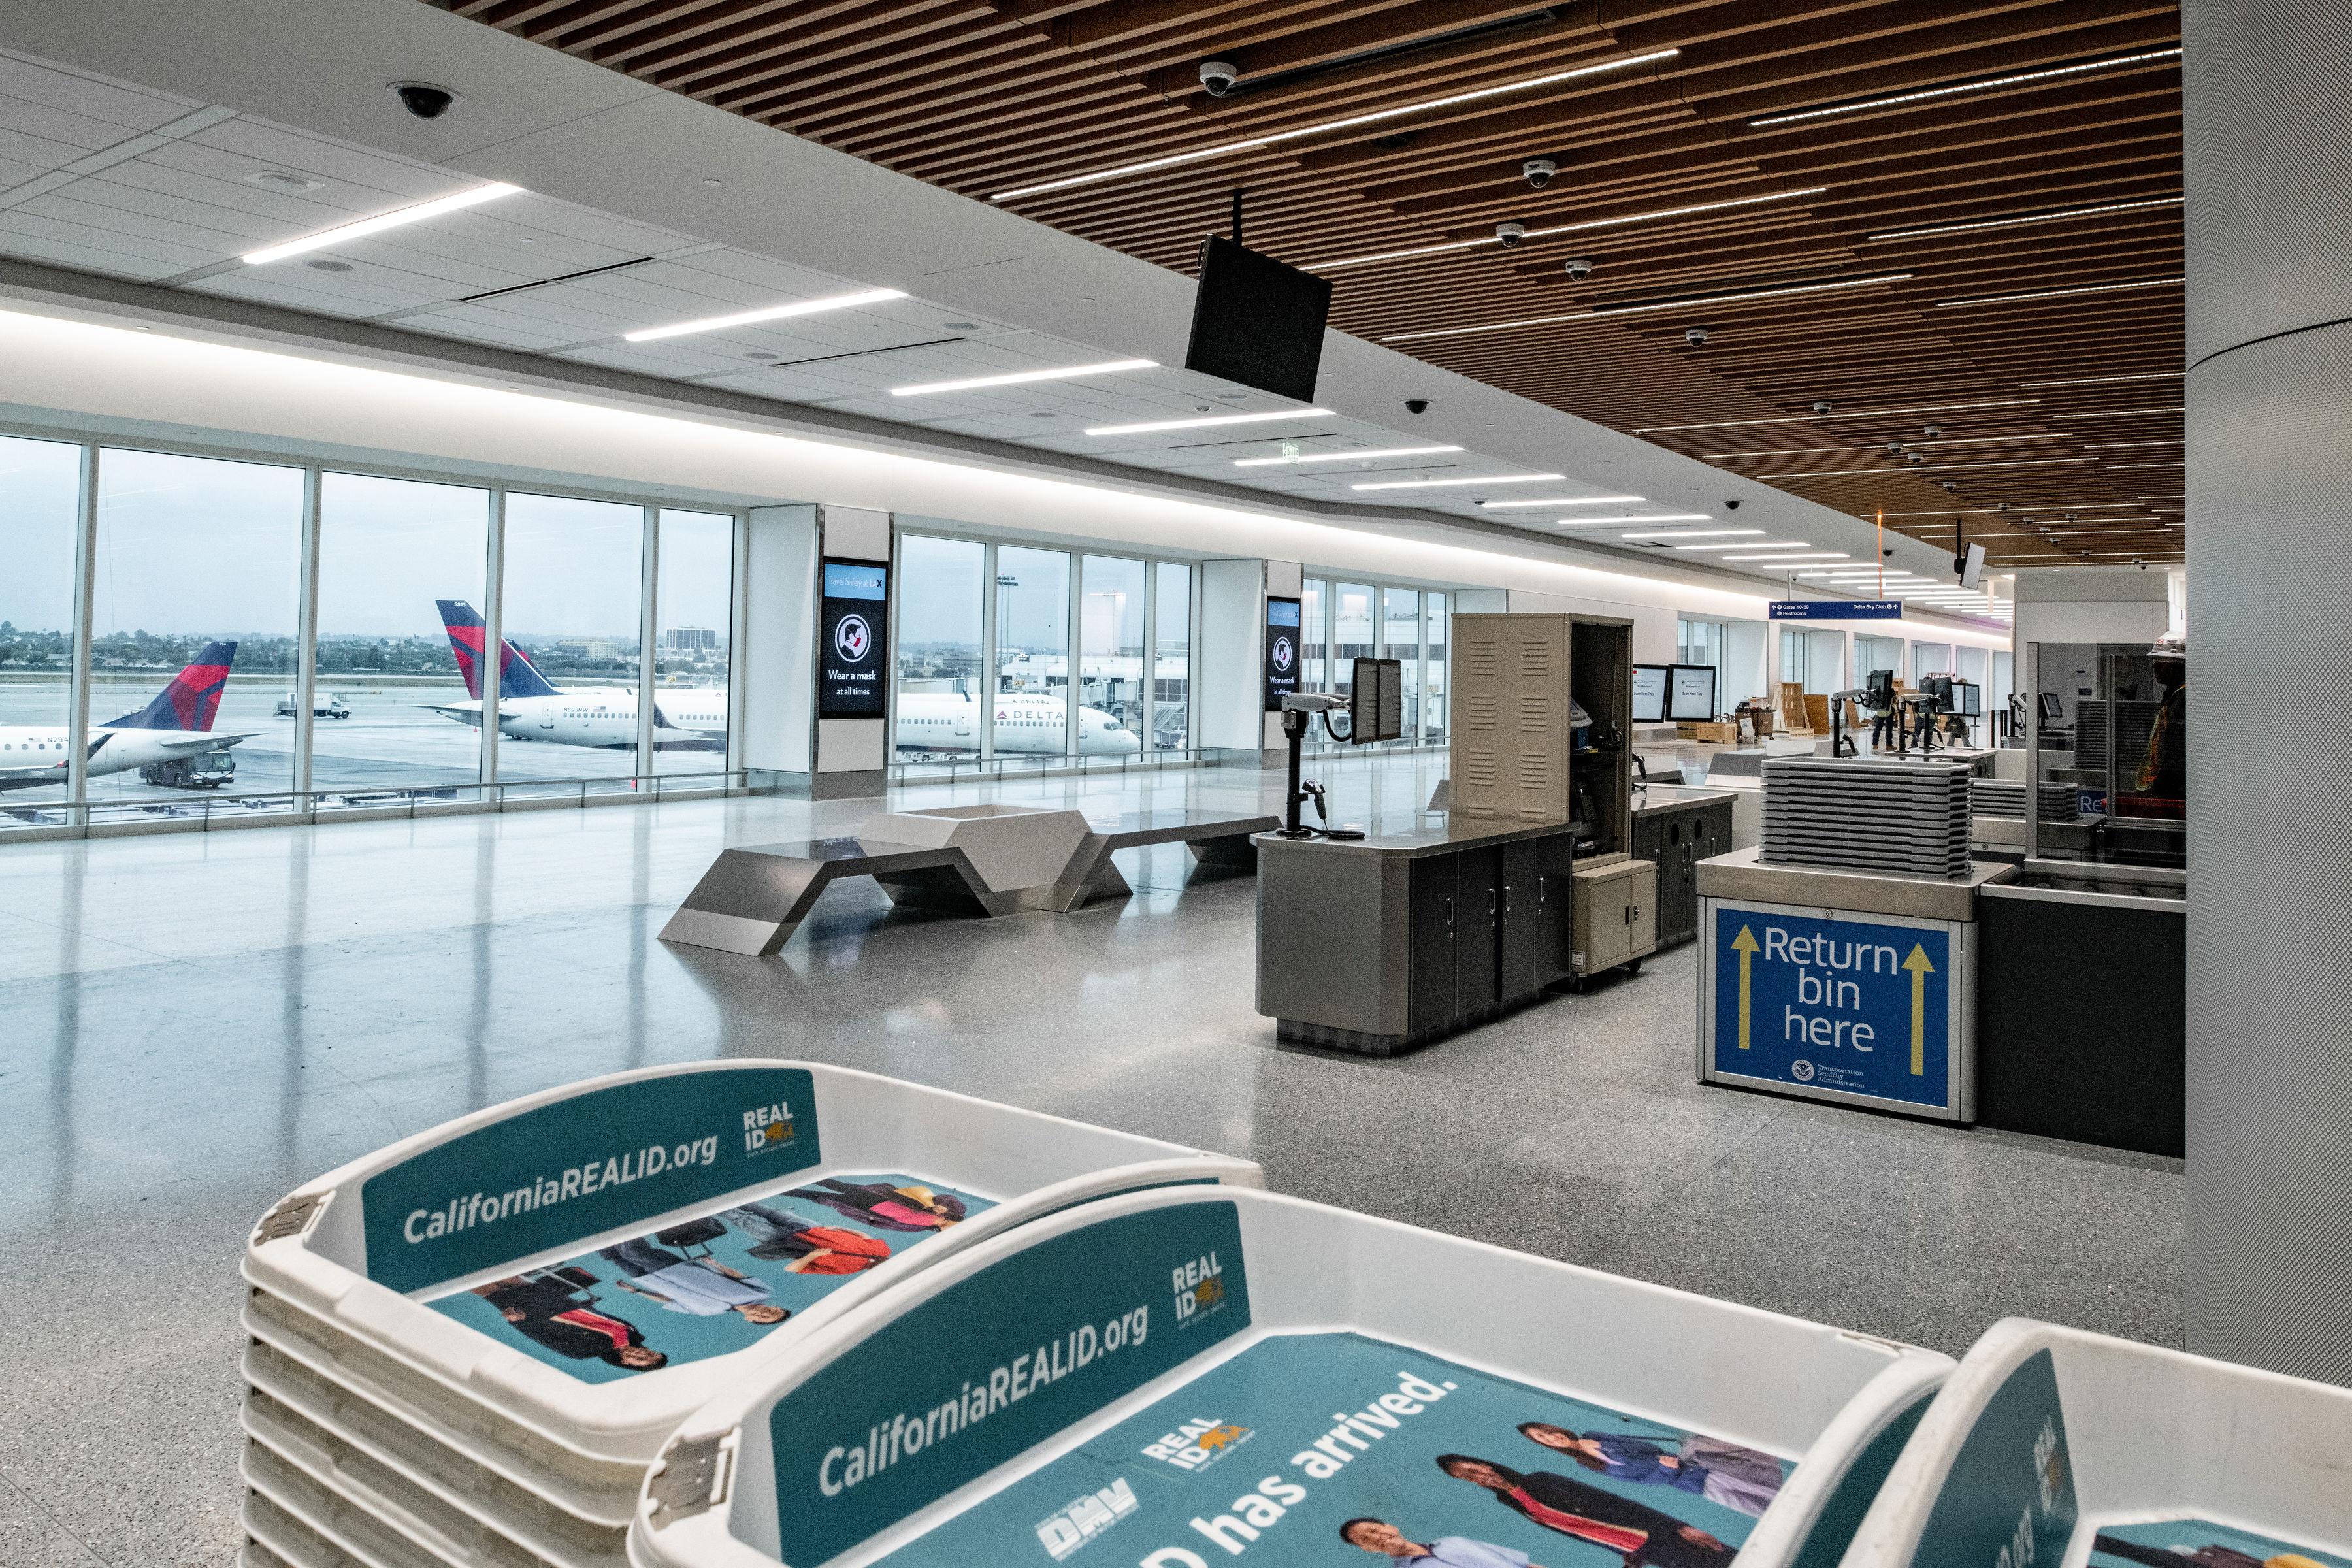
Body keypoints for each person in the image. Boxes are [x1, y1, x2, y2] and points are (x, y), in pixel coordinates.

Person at [1435, 1455, 1733, 1568]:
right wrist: (1626, 1553)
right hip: (1640, 1548)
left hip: (1660, 1534)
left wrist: (1680, 1525)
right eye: (1467, 1478)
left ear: (1486, 1464)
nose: (1477, 1478)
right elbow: (1576, 1528)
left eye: (1474, 1470)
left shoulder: (1539, 1479)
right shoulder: (1509, 1501)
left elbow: (1616, 1504)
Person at [1518, 1423, 1784, 1518]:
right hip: (1691, 1484)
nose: (1551, 1438)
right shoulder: (1585, 1463)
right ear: (1545, 1445)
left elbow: (1643, 1447)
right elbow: (1642, 1480)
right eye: (1542, 1439)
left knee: (1772, 1493)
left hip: (1701, 1469)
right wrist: (1666, 1471)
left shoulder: (1593, 1436)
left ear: (1556, 1429)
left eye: (1547, 1432)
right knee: (1758, 1509)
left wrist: (1665, 1460)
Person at [470, 1272, 667, 1370]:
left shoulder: (584, 1353)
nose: (641, 1353)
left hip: (534, 1314)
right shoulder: (631, 1331)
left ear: (626, 1363)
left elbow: (545, 1339)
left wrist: (519, 1322)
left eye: (640, 1359)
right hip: (559, 1301)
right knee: (509, 1276)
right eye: (649, 1352)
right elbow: (593, 1315)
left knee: (484, 1288)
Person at [596, 1236, 789, 1322]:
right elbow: (738, 1276)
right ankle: (616, 1217)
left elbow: (670, 1301)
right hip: (674, 1269)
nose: (762, 1313)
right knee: (632, 1251)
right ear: (775, 1307)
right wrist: (715, 1265)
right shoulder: (761, 1293)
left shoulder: (707, 1312)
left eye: (762, 1318)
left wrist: (637, 1291)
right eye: (770, 1312)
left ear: (750, 1320)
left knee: (615, 1257)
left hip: (647, 1280)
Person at [720, 1202, 892, 1274]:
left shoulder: (849, 1270)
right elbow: (864, 1236)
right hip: (809, 1227)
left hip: (787, 1242)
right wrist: (838, 1228)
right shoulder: (883, 1250)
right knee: (766, 1211)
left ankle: (717, 1204)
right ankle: (730, 1192)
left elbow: (792, 1269)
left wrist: (813, 1256)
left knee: (743, 1221)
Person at [1341, 1516, 1544, 1567]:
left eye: (1375, 1530)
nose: (1377, 1538)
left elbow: (1525, 1565)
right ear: (1368, 1550)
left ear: (1391, 1527)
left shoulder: (1453, 1542)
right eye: (1367, 1540)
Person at [788, 1176, 966, 1232]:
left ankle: (783, 1188)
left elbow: (885, 1225)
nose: (947, 1229)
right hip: (877, 1197)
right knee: (833, 1184)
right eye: (953, 1228)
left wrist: (856, 1215)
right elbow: (948, 1198)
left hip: (865, 1209)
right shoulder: (955, 1211)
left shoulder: (920, 1228)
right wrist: (946, 1208)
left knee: (813, 1195)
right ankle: (801, 1173)